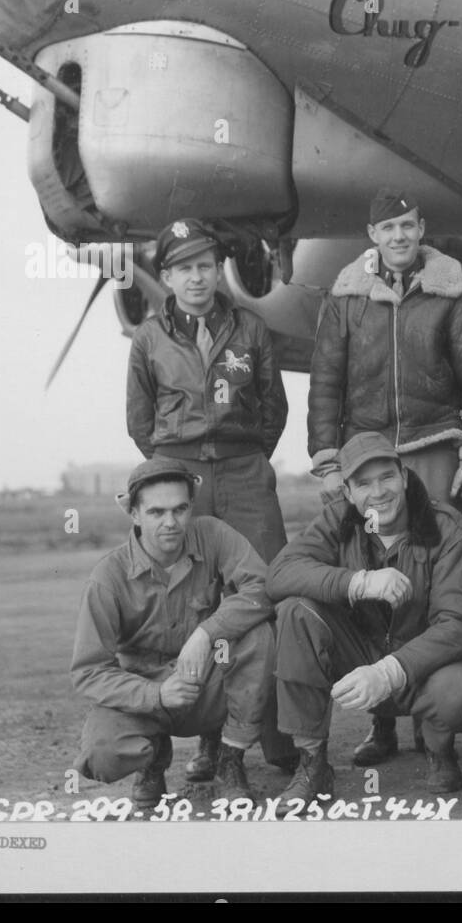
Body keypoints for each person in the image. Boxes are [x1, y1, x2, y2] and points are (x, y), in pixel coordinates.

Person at [308, 190, 462, 760]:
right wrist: (326, 458)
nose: (398, 237)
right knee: (366, 574)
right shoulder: (344, 297)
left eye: (407, 226)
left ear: (421, 229)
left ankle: (435, 727)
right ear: (372, 234)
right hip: (366, 456)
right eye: (387, 227)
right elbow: (325, 382)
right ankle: (382, 721)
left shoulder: (451, 290)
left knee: (435, 577)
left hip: (435, 445)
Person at [126, 217, 294, 778]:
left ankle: (273, 730)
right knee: (196, 599)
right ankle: (210, 738)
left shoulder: (249, 327)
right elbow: (140, 421)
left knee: (265, 585)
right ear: (167, 276)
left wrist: (244, 456)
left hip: (245, 470)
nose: (197, 278)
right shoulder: (149, 338)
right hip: (183, 473)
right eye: (184, 268)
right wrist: (181, 467)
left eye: (205, 265)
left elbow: (274, 407)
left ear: (216, 270)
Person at [269, 432, 462, 812]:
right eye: (363, 483)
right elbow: (280, 573)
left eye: (386, 477)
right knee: (295, 611)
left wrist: (388, 672)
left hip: (421, 665)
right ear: (348, 493)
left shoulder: (446, 526)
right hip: (359, 651)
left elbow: (459, 624)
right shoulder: (340, 519)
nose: (378, 492)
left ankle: (438, 748)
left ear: (404, 475)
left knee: (459, 687)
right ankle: (312, 764)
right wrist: (358, 582)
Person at [71, 458, 276, 810]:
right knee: (101, 754)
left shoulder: (211, 533)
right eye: (156, 512)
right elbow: (88, 671)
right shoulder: (108, 577)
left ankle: (229, 758)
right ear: (134, 514)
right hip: (145, 696)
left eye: (180, 509)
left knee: (259, 634)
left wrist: (208, 632)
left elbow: (262, 585)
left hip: (206, 680)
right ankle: (153, 759)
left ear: (191, 508)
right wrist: (156, 694)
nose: (171, 523)